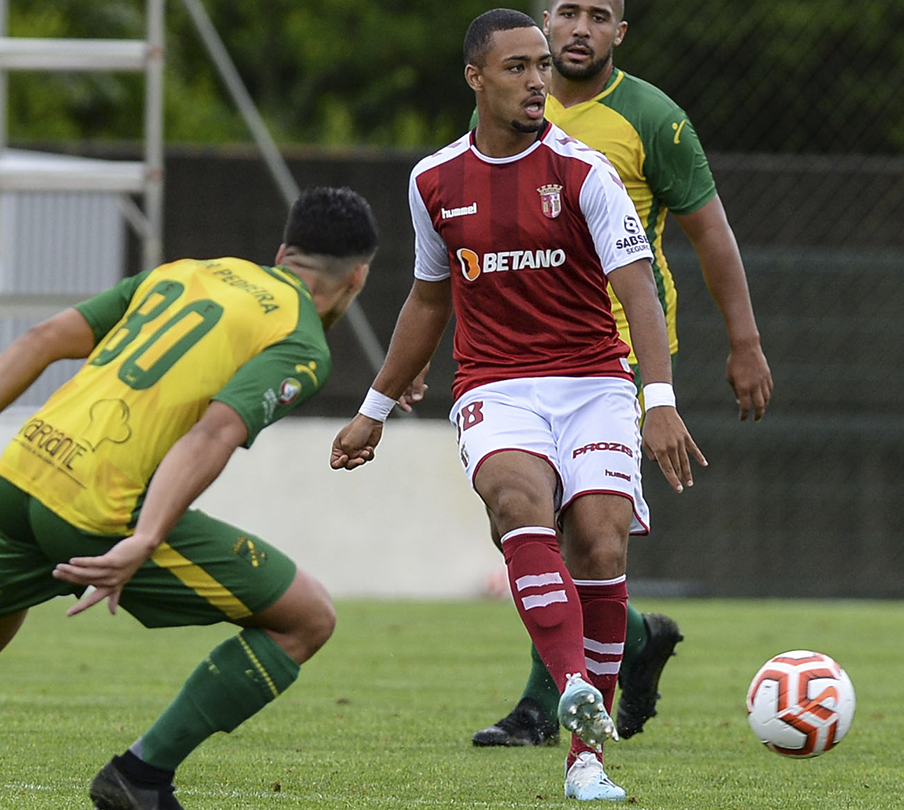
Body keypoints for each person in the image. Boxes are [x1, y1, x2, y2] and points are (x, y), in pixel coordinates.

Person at [0, 186, 378, 810]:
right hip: (101, 510)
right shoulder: (301, 337)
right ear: (359, 277)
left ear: (283, 250)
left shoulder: (186, 272)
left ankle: (140, 778)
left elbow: (43, 336)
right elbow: (214, 430)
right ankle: (141, 776)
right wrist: (147, 536)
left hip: (24, 472)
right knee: (308, 618)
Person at [330, 9, 703, 802]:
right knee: (516, 502)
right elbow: (430, 301)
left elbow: (637, 288)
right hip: (496, 386)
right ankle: (573, 687)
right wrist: (374, 406)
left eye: (542, 66)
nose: (537, 81)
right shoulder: (434, 180)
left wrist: (658, 397)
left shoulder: (585, 172)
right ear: (476, 78)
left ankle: (585, 760)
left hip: (595, 382)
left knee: (600, 547)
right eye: (517, 68)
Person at [436, 0, 771, 748]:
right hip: (522, 358)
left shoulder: (652, 118)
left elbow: (709, 230)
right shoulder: (508, 102)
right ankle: (629, 640)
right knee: (538, 525)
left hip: (614, 351)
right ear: (544, 21)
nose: (579, 27)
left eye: (598, 14)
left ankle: (544, 705)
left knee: (577, 533)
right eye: (566, 11)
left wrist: (742, 340)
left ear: (621, 32)